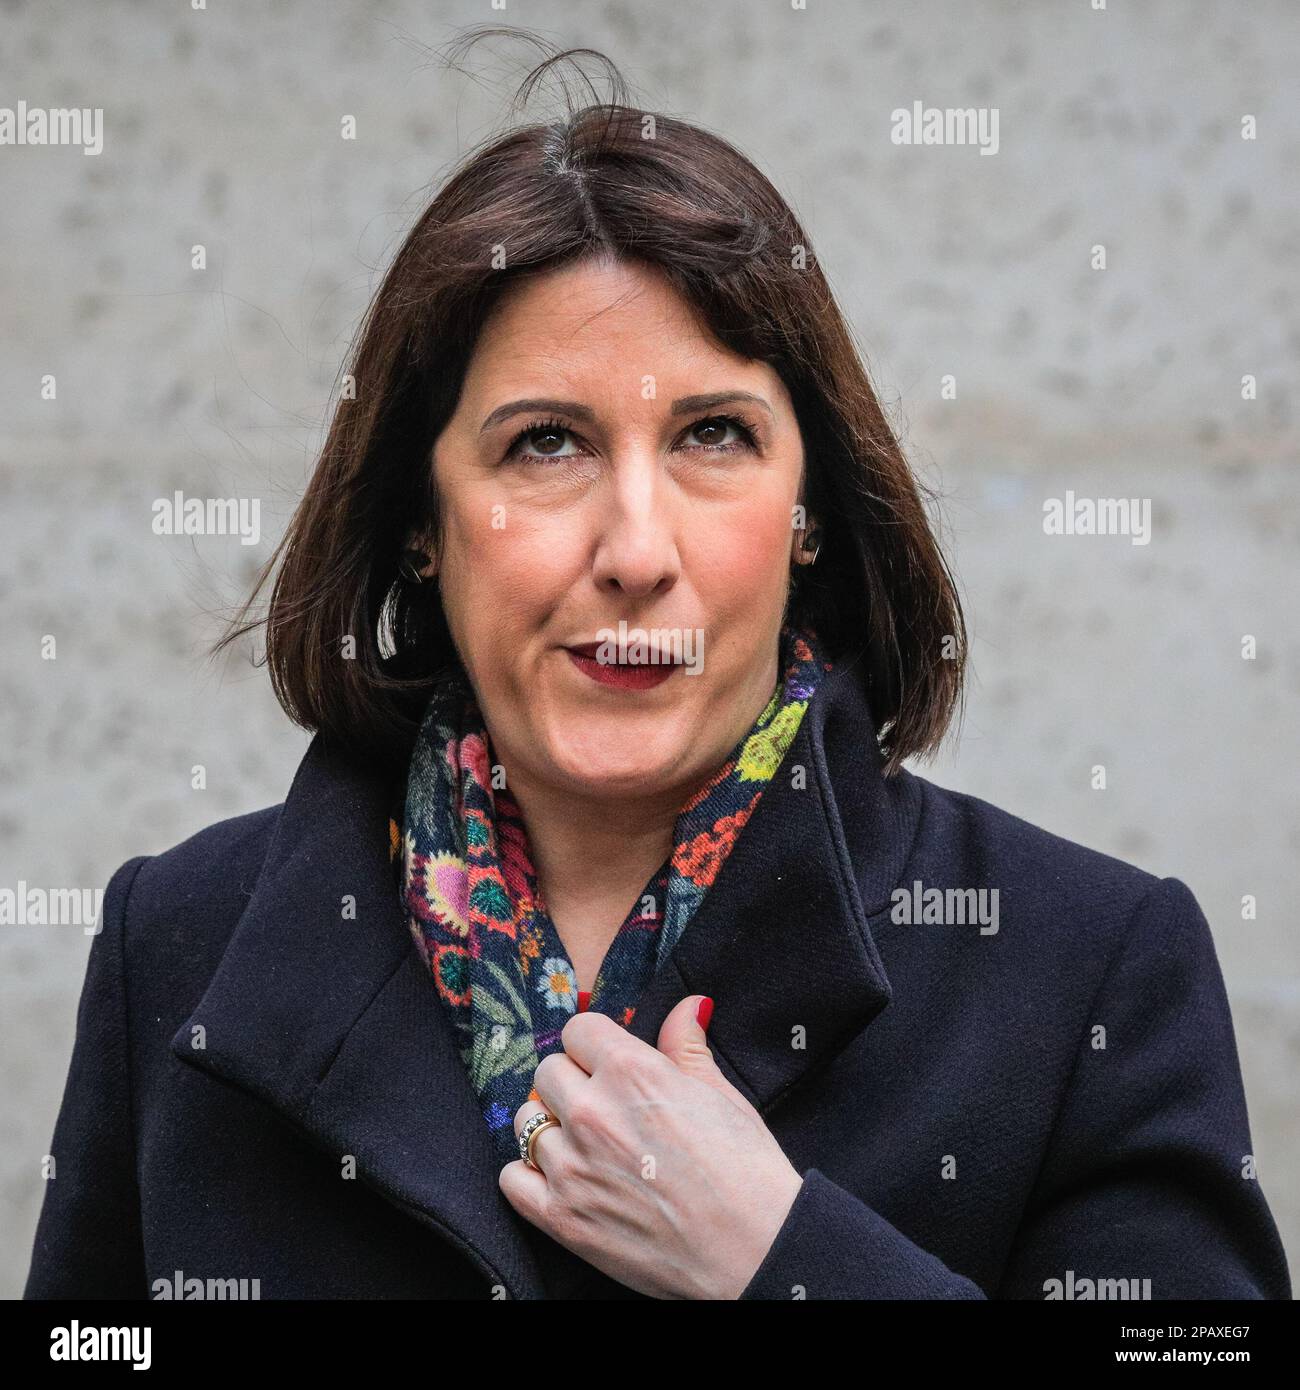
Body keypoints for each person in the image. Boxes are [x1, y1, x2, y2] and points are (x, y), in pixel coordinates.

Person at [24, 50, 1290, 1301]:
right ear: (423, 516)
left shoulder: (1087, 965)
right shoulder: (181, 946)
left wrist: (781, 1259)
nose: (636, 551)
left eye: (712, 436)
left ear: (809, 510)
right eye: (544, 444)